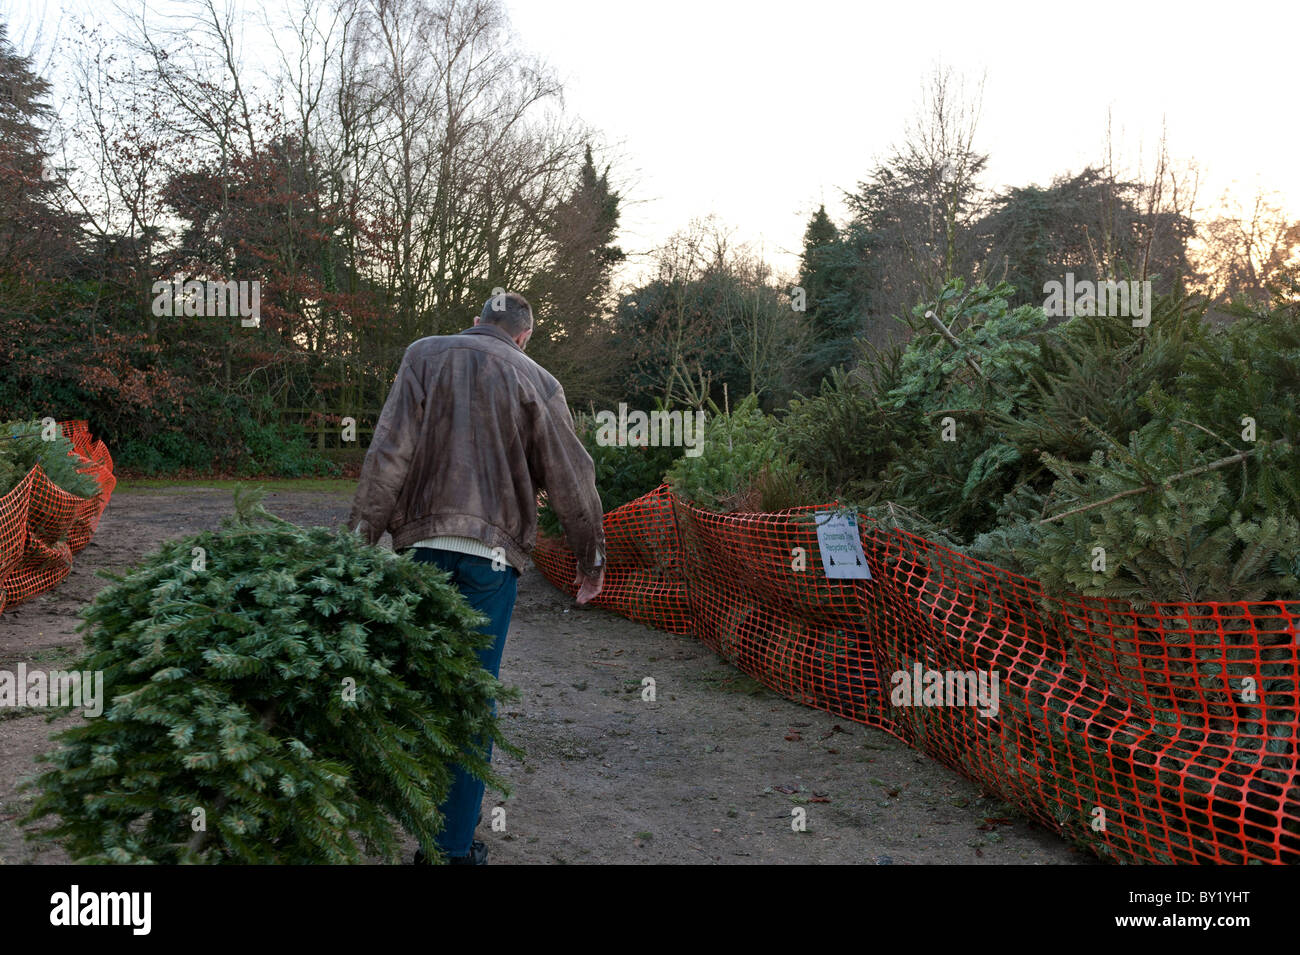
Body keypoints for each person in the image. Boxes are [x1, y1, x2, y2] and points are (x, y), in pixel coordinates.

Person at [347, 290, 606, 865]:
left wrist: (357, 543)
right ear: (524, 336)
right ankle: (450, 850)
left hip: (422, 548)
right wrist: (591, 559)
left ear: (475, 323)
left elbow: (387, 456)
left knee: (418, 686)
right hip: (491, 558)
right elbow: (572, 476)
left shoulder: (423, 355)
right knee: (469, 701)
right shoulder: (538, 380)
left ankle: (380, 809)